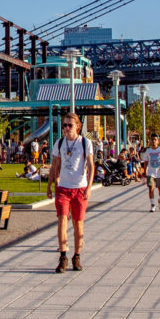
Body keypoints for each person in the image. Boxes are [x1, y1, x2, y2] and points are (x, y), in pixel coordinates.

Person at [49, 113, 94, 273]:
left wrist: (88, 188)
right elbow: (55, 165)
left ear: (78, 126)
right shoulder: (59, 143)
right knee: (62, 219)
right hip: (63, 189)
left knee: (78, 223)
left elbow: (91, 165)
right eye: (64, 125)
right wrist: (50, 185)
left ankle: (77, 256)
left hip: (79, 188)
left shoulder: (85, 143)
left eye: (70, 125)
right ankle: (63, 257)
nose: (66, 128)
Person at [144, 138, 160, 212]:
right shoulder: (148, 151)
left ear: (158, 141)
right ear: (150, 141)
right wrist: (145, 171)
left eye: (155, 140)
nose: (153, 141)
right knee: (151, 187)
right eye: (152, 139)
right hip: (151, 172)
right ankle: (152, 205)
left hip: (159, 172)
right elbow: (145, 161)